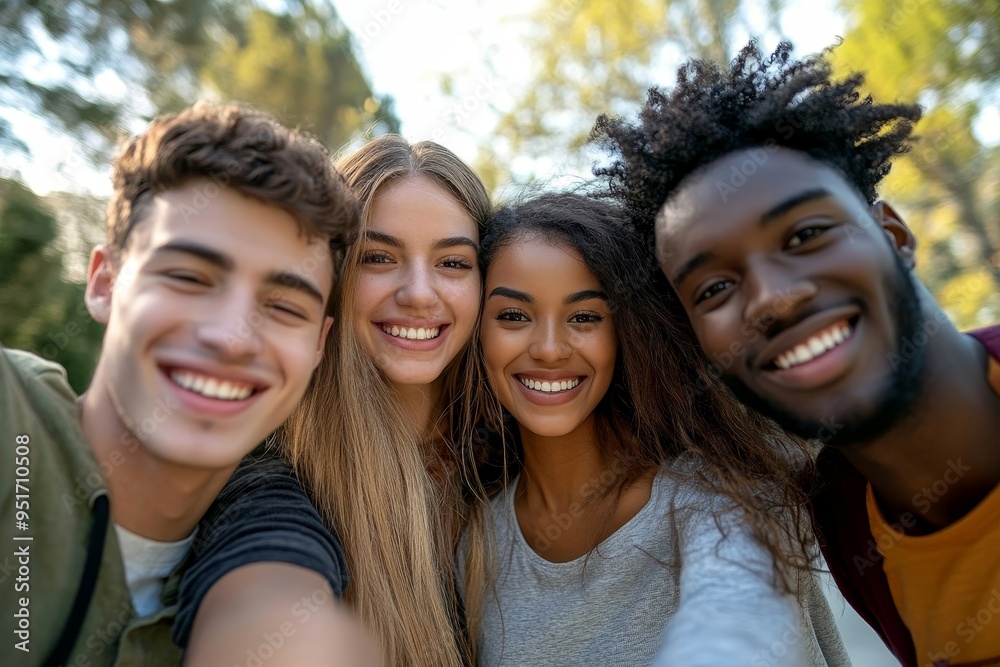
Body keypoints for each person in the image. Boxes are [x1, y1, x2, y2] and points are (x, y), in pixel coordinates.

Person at [593, 40, 1000, 667]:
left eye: (806, 235)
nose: (773, 300)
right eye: (715, 288)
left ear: (893, 235)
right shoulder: (843, 516)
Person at [0, 103, 366, 666]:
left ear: (320, 345)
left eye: (284, 306)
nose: (231, 337)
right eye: (188, 278)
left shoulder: (278, 530)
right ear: (104, 282)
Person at [459, 192, 850, 666]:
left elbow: (737, 608)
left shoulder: (719, 494)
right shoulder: (476, 542)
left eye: (584, 317)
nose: (548, 348)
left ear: (626, 332)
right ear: (478, 333)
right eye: (514, 316)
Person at [179, 135, 492, 667]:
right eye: (377, 257)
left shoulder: (508, 459)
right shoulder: (272, 479)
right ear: (331, 275)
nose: (419, 292)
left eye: (453, 263)